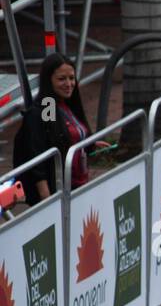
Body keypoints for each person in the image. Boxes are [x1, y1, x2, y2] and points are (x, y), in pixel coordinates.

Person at [12, 53, 108, 204]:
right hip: (60, 192)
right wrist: (47, 198)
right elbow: (42, 150)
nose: (69, 84)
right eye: (61, 79)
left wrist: (88, 144)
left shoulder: (68, 103)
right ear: (48, 80)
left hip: (78, 187)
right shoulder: (48, 106)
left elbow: (66, 134)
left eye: (71, 78)